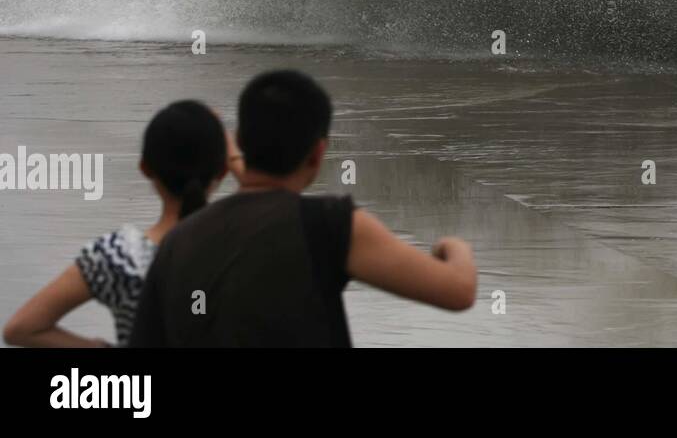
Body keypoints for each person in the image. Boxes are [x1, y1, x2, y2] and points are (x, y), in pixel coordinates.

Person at [129, 70, 477, 347]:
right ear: (318, 153)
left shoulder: (179, 241)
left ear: (243, 142)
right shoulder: (330, 224)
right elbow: (458, 291)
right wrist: (453, 247)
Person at [3, 102, 230, 347]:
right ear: (222, 171)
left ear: (145, 168)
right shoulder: (242, 248)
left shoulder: (120, 254)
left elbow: (21, 329)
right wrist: (232, 149)